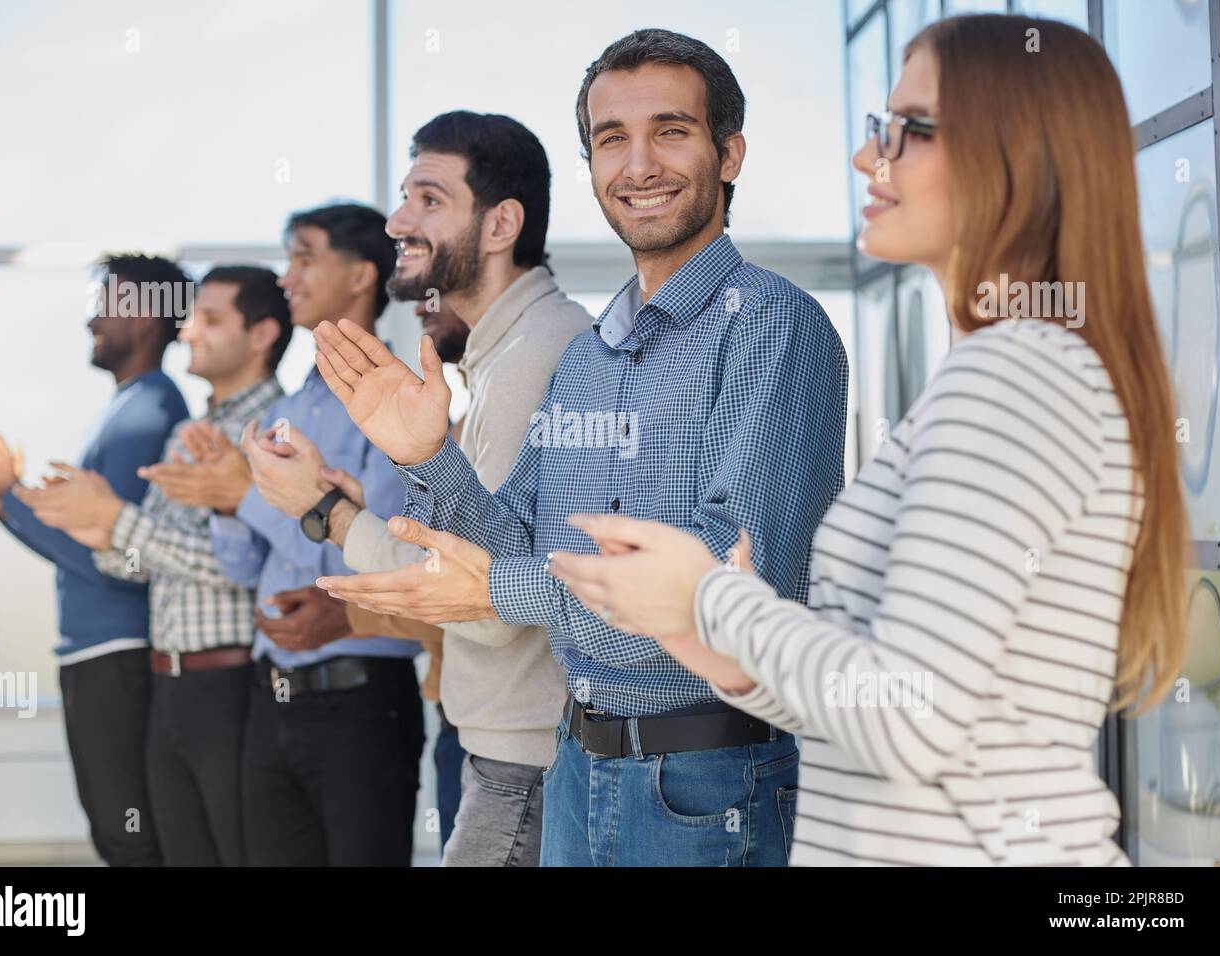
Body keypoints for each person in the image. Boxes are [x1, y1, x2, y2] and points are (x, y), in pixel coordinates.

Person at [546, 14, 1189, 867]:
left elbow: (908, 714)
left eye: (911, 131)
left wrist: (710, 600)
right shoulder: (1007, 370)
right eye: (879, 128)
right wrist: (728, 655)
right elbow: (894, 688)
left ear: (1017, 156)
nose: (869, 157)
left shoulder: (1016, 377)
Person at [309, 29, 849, 867]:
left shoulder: (774, 327)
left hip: (710, 784)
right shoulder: (590, 355)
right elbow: (513, 541)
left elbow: (732, 588)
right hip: (576, 770)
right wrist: (427, 456)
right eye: (610, 139)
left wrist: (501, 587)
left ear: (729, 153)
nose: (638, 165)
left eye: (670, 131)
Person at [249, 111, 592, 866]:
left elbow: (484, 602)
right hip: (510, 754)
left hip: (523, 765)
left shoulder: (534, 358)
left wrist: (325, 511)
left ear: (502, 223)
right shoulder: (507, 355)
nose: (399, 219)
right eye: (405, 196)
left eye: (430, 200)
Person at [143, 204, 425, 866]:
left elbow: (373, 557)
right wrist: (223, 500)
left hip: (362, 705)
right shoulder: (288, 411)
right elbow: (245, 567)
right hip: (273, 701)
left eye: (304, 258)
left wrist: (242, 493)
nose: (288, 277)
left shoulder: (400, 406)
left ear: (360, 277)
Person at [18, 266, 291, 866]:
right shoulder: (188, 431)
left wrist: (114, 520)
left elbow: (236, 568)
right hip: (171, 685)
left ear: (263, 333)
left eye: (210, 319)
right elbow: (142, 562)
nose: (187, 329)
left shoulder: (279, 430)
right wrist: (97, 523)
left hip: (231, 682)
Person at [0, 253, 192, 866]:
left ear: (151, 320)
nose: (91, 321)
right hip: (101, 658)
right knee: (120, 836)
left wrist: (7, 492)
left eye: (108, 304)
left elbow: (111, 550)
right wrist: (8, 494)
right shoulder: (131, 405)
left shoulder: (150, 409)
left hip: (118, 658)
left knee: (130, 841)